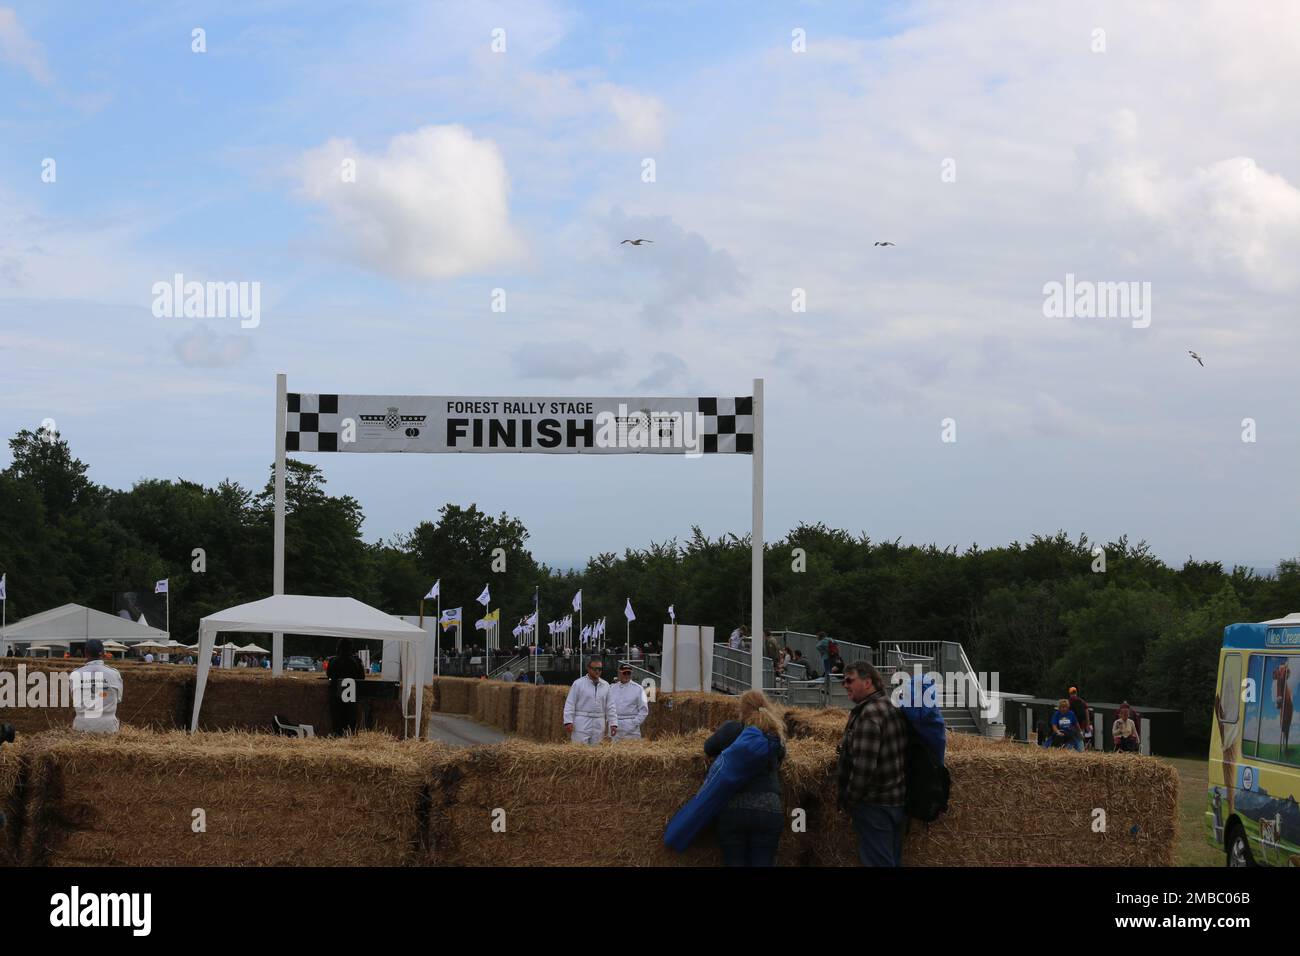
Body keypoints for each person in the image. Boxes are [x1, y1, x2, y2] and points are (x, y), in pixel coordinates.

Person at [702, 690, 787, 866]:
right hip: (768, 807)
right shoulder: (774, 734)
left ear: (742, 709)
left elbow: (708, 748)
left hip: (733, 807)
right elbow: (781, 758)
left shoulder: (731, 729)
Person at [838, 661, 909, 866]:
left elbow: (863, 767)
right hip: (896, 800)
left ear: (868, 682)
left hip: (874, 805)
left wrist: (849, 798)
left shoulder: (869, 714)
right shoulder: (890, 705)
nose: (845, 685)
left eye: (850, 680)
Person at [69, 639, 124, 734]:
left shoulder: (75, 674)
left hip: (82, 726)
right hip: (108, 727)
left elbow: (73, 698)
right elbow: (118, 699)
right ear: (103, 653)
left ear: (85, 653)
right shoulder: (114, 674)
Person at [563, 656, 618, 745]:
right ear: (588, 669)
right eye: (595, 669)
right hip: (582, 720)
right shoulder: (578, 684)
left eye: (600, 669)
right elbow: (570, 703)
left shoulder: (606, 685)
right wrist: (568, 721)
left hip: (599, 721)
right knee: (579, 749)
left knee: (596, 752)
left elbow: (610, 706)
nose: (597, 671)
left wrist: (613, 723)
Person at [327, 638, 365, 736]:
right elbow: (362, 677)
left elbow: (329, 675)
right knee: (350, 718)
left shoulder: (333, 661)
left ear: (338, 648)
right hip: (351, 695)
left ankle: (338, 734)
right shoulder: (356, 661)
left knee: (337, 717)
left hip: (336, 694)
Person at [610, 664, 649, 741]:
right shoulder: (612, 688)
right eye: (624, 673)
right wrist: (611, 722)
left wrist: (634, 723)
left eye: (629, 673)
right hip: (615, 725)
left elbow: (644, 710)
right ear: (619, 673)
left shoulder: (639, 689)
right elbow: (608, 707)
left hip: (632, 727)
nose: (627, 675)